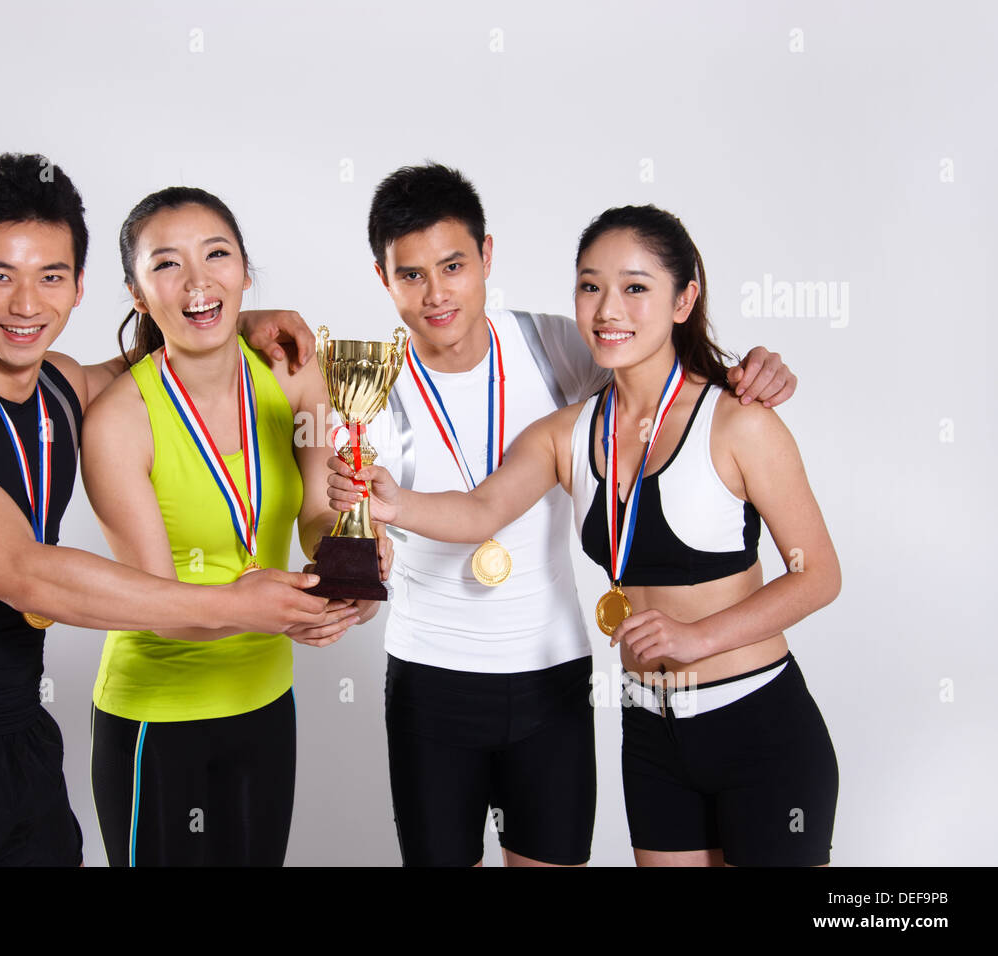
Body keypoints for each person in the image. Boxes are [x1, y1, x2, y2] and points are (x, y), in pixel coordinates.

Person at [0, 153, 333, 867]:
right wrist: (235, 604)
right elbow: (31, 577)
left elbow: (167, 361)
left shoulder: (60, 385)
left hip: (23, 739)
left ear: (81, 286)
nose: (27, 304)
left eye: (50, 277)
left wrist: (243, 319)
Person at [332, 203, 840, 867]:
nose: (608, 309)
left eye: (635, 287)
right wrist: (394, 502)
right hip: (651, 735)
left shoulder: (739, 421)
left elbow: (818, 575)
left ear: (684, 299)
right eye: (590, 286)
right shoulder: (569, 432)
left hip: (757, 723)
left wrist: (696, 638)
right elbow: (482, 509)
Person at [81, 186, 388, 867]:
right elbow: (153, 603)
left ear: (245, 273)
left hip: (264, 702)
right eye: (166, 264)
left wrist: (351, 559)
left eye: (216, 254)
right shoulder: (119, 420)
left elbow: (315, 515)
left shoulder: (294, 375)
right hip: (156, 715)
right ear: (137, 293)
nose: (197, 280)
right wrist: (277, 613)